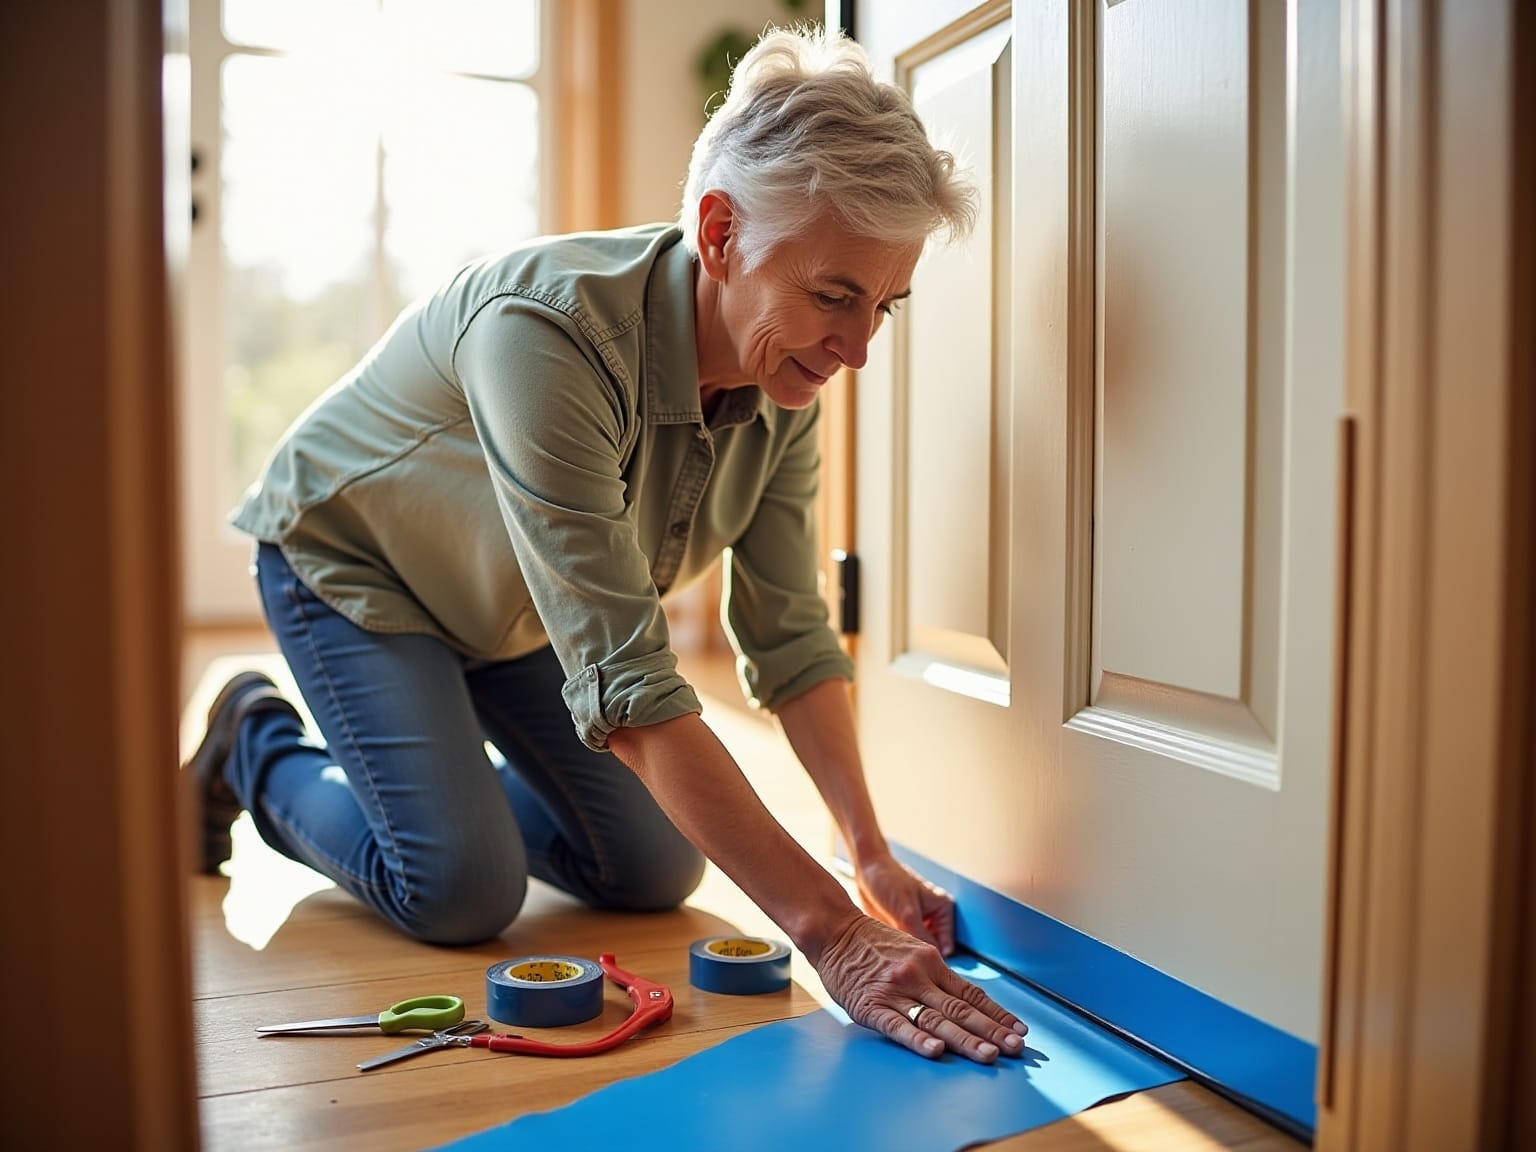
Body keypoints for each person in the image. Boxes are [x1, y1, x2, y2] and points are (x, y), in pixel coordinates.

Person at [186, 23, 1027, 1065]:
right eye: (833, 296)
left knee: (651, 867)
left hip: (521, 607)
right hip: (360, 570)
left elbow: (789, 632)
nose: (856, 350)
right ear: (720, 234)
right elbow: (627, 685)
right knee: (460, 889)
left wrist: (865, 856)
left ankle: (433, 768)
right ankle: (255, 742)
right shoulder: (546, 334)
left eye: (883, 307)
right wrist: (832, 938)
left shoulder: (784, 384)